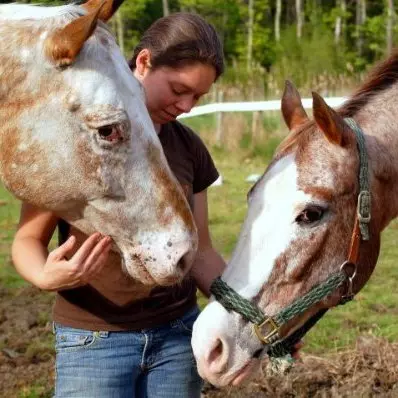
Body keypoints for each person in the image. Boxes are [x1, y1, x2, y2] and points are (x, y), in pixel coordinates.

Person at [11, 12, 226, 398]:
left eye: (198, 96)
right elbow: (27, 240)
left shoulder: (188, 147)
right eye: (179, 89)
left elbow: (202, 252)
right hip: (94, 341)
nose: (187, 105)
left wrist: (248, 313)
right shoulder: (79, 136)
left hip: (176, 336)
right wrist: (44, 276)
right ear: (143, 62)